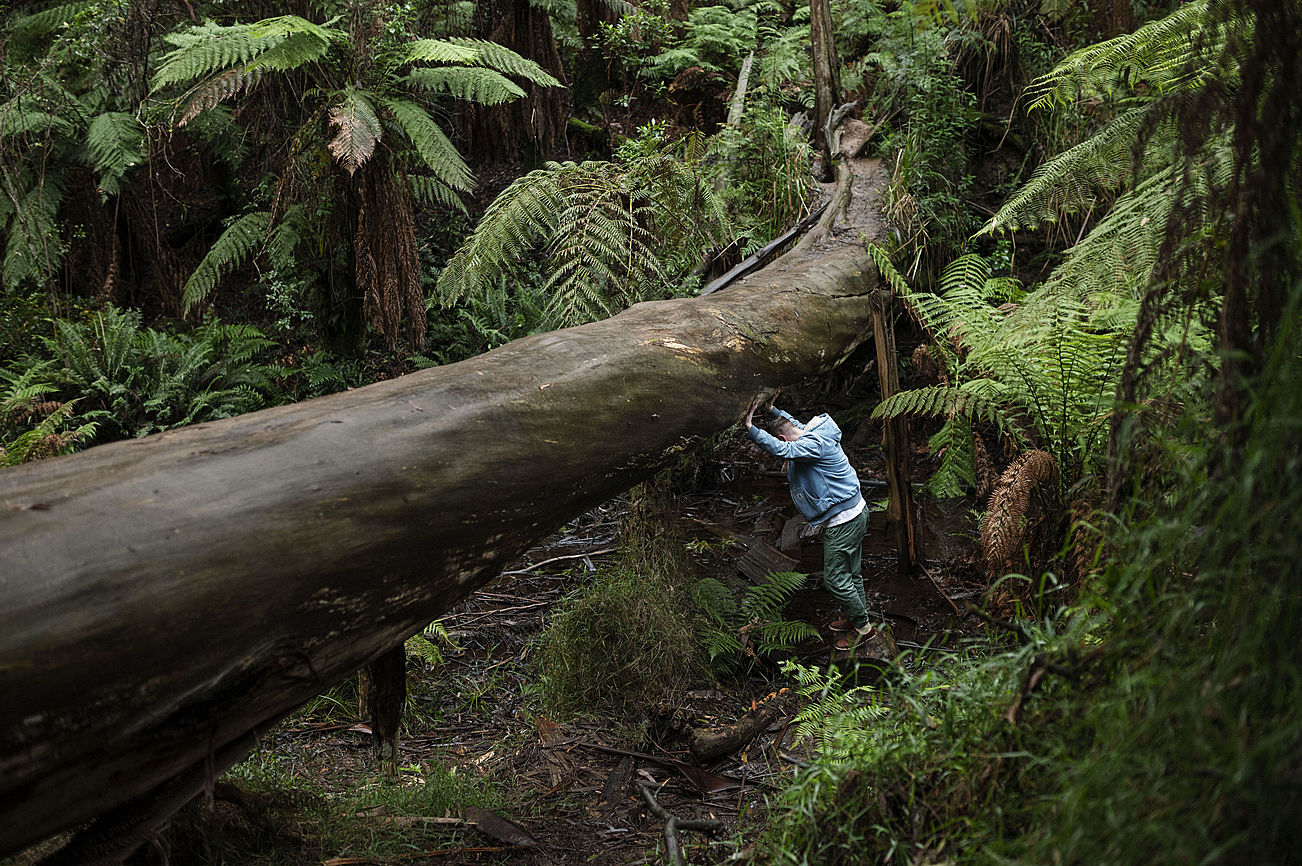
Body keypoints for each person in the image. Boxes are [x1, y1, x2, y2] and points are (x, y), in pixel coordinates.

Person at [745, 396, 877, 650]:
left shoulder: (811, 446)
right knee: (852, 573)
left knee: (836, 579)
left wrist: (752, 429)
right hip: (856, 511)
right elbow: (792, 425)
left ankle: (864, 629)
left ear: (783, 437)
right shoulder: (815, 429)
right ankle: (857, 618)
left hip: (843, 521)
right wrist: (772, 410)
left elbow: (783, 449)